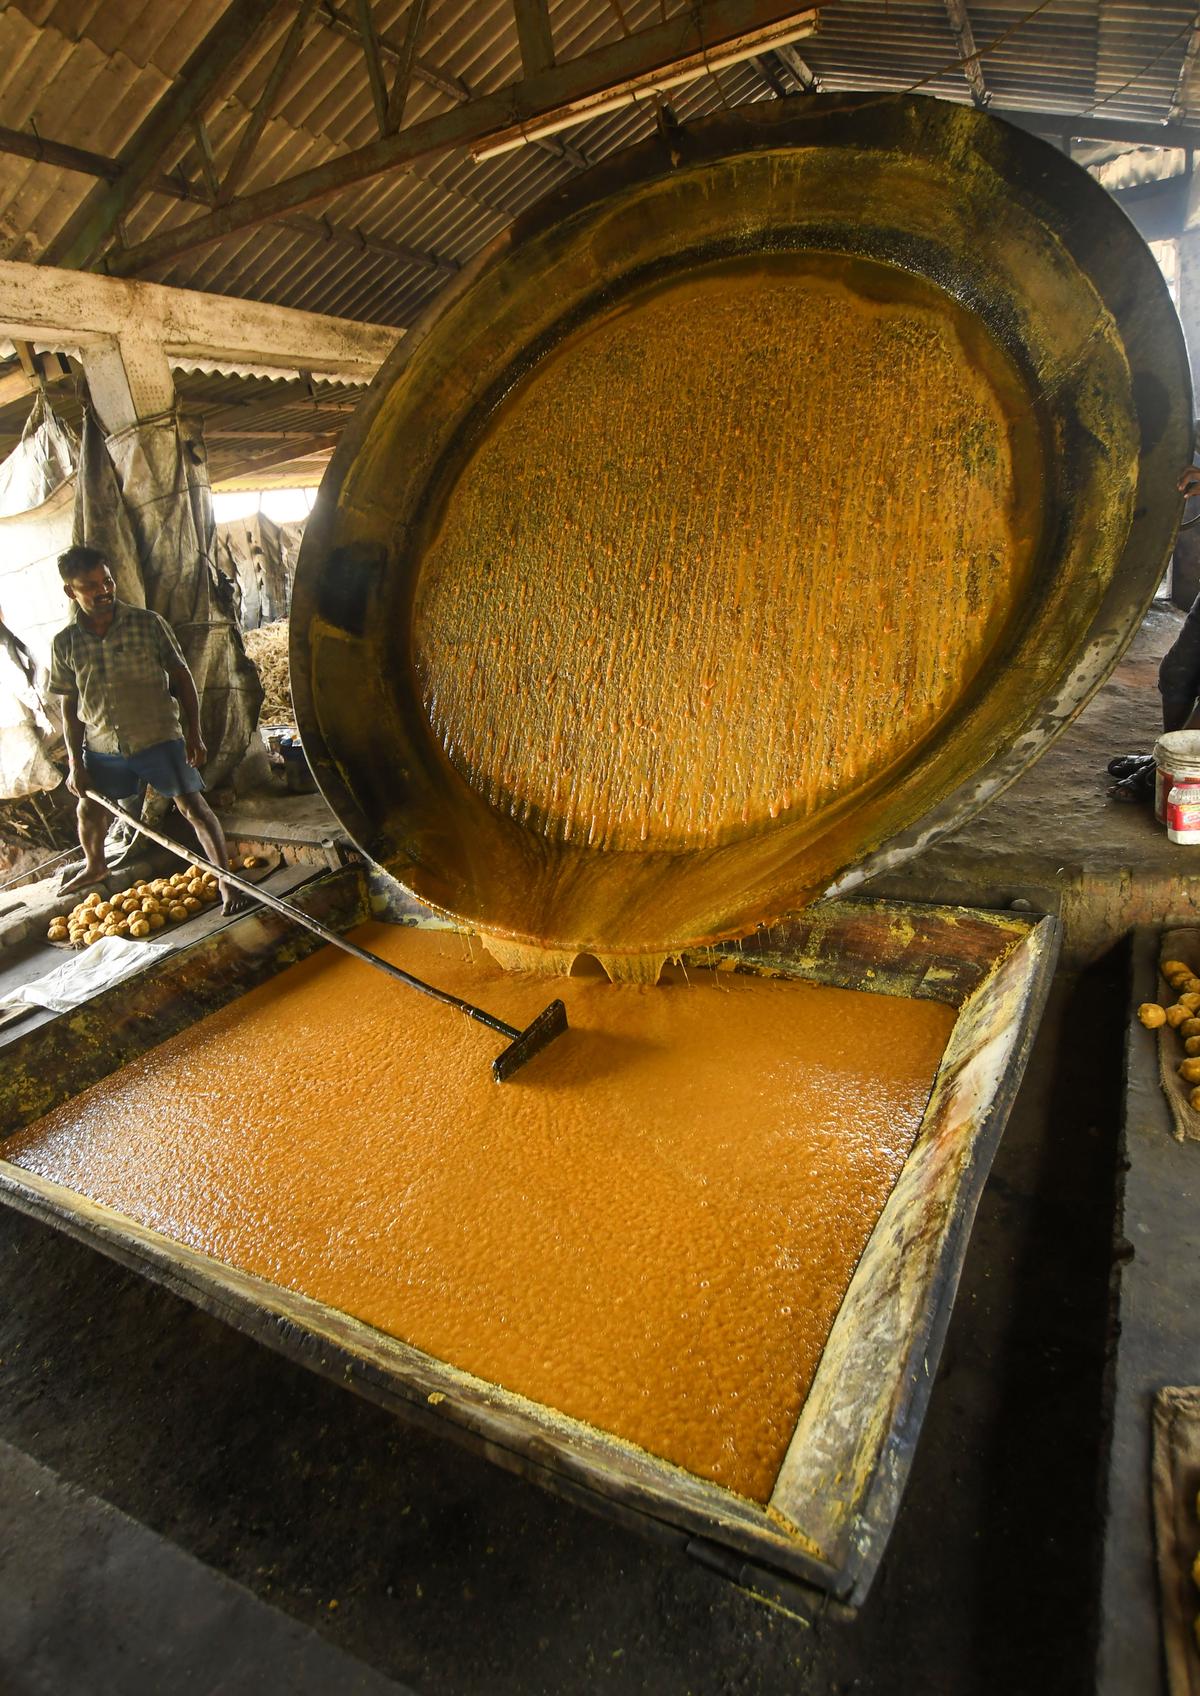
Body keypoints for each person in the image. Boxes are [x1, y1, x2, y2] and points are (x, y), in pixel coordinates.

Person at [47, 545, 249, 912]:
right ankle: (95, 865)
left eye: (106, 581)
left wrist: (195, 734)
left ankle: (227, 882)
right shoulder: (66, 643)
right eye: (90, 586)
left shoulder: (148, 623)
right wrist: (76, 763)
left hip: (159, 738)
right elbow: (68, 704)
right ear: (70, 591)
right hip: (104, 745)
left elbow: (181, 676)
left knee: (194, 808)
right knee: (89, 810)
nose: (104, 590)